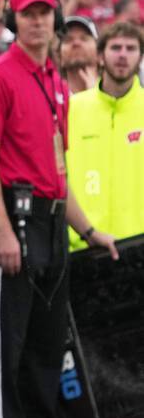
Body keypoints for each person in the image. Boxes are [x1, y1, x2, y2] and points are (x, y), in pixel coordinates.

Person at [0, 0, 118, 418]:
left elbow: (58, 166)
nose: (37, 21)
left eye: (45, 13)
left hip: (51, 218)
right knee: (7, 342)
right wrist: (2, 230)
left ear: (55, 19)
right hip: (15, 216)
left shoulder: (53, 78)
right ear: (13, 19)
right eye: (28, 13)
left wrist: (87, 229)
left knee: (44, 343)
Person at [66, 21, 144, 250]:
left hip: (139, 245)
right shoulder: (72, 108)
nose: (123, 55)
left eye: (130, 49)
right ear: (100, 56)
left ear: (140, 57)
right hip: (83, 245)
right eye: (115, 48)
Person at [58, 16, 99, 95]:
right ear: (59, 56)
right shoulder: (52, 95)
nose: (76, 43)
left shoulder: (114, 90)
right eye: (68, 39)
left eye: (84, 38)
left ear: (99, 53)